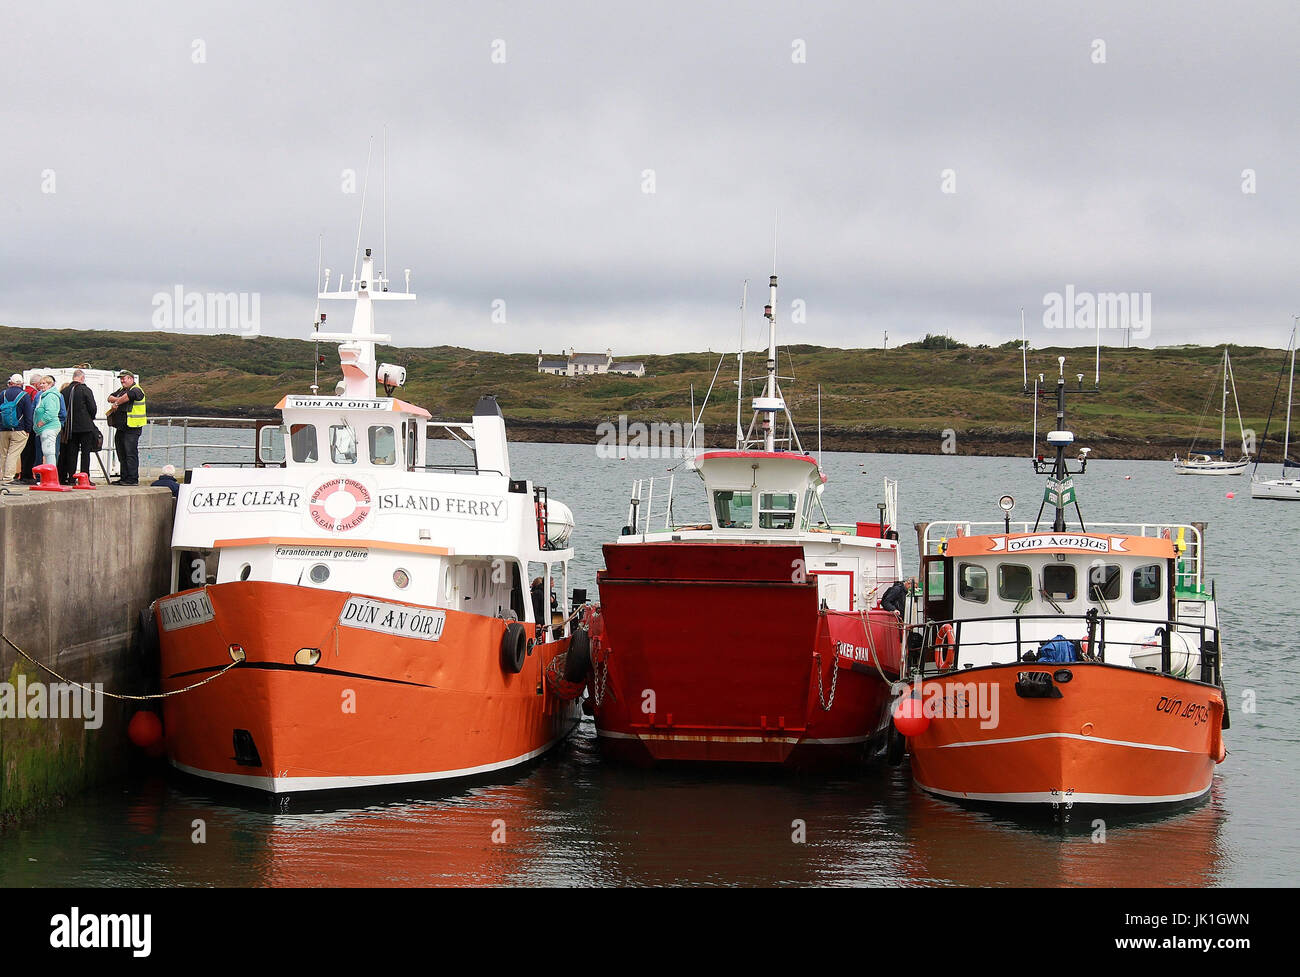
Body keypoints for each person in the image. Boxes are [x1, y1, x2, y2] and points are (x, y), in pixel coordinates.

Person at [58, 369, 99, 485]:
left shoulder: (64, 391)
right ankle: (84, 478)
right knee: (85, 453)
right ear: (82, 378)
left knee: (72, 453)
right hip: (85, 426)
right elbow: (92, 407)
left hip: (70, 426)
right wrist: (90, 417)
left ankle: (71, 478)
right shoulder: (85, 390)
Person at [107, 370, 146, 485]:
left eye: (124, 378)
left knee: (130, 453)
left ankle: (132, 479)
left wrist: (117, 403)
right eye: (121, 378)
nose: (122, 380)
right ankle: (124, 477)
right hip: (122, 427)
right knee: (121, 453)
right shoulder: (121, 391)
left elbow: (130, 396)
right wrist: (119, 400)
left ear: (131, 379)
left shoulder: (137, 390)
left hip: (133, 427)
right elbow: (109, 397)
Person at [1, 374, 35, 481]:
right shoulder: (24, 395)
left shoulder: (3, 394)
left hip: (2, 429)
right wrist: (28, 429)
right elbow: (28, 415)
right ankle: (8, 477)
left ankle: (1, 475)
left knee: (2, 453)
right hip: (19, 429)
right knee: (13, 454)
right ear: (21, 383)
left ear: (11, 382)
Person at [32, 375, 63, 467]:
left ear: (50, 385)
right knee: (47, 452)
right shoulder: (45, 396)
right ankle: (49, 475)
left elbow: (51, 412)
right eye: (40, 383)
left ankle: (51, 476)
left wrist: (41, 422)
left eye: (44, 383)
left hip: (49, 427)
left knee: (49, 452)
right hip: (44, 428)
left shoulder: (50, 396)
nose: (41, 385)